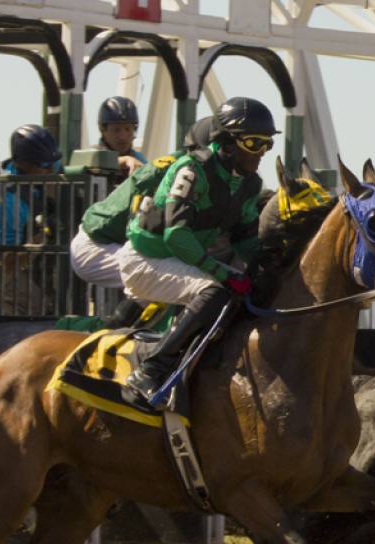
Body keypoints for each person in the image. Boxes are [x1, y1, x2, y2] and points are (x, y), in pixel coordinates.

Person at [117, 98, 273, 408]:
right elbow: (177, 236)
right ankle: (150, 370)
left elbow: (245, 239)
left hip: (176, 259)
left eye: (267, 144)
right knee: (216, 290)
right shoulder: (191, 169)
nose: (261, 153)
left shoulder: (249, 184)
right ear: (228, 141)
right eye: (253, 143)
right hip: (145, 260)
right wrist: (223, 272)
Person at [73, 116, 216, 304]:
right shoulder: (182, 170)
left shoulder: (200, 168)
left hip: (113, 243)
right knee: (168, 277)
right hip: (95, 247)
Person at [0, 124, 62, 313]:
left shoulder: (37, 171)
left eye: (52, 163)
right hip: (0, 269)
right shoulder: (11, 203)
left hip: (22, 263)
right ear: (23, 163)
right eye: (45, 165)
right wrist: (39, 240)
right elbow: (4, 260)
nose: (51, 170)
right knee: (38, 308)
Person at [95, 96, 146, 172]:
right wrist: (123, 161)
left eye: (127, 129)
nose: (123, 137)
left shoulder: (138, 159)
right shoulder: (93, 155)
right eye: (116, 130)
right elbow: (93, 162)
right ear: (103, 129)